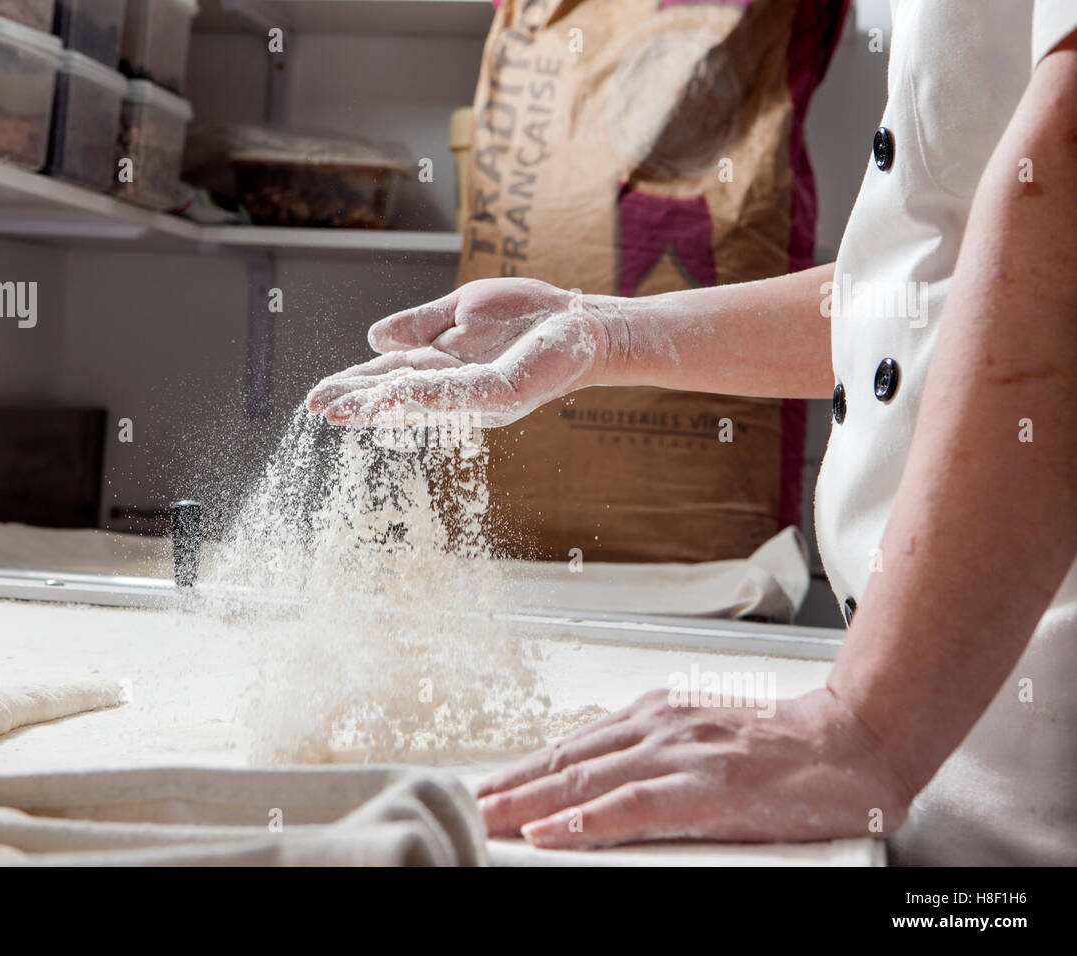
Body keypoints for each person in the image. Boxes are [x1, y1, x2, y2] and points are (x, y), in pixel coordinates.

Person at [306, 1, 1077, 865]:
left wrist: (869, 725)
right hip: (944, 753)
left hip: (1034, 775)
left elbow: (1065, 210)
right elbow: (922, 296)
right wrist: (600, 331)